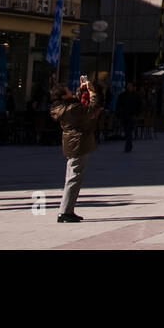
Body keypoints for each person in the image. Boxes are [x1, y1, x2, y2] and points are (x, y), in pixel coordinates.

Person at [51, 76, 103, 223]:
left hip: (72, 142)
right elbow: (90, 109)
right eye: (68, 91)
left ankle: (67, 210)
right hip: (78, 142)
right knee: (74, 177)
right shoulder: (71, 109)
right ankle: (65, 212)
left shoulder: (61, 108)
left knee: (72, 176)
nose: (72, 93)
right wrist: (93, 93)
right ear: (63, 96)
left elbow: (77, 106)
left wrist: (81, 91)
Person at [116, 82, 142, 153]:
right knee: (126, 131)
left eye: (130, 86)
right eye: (128, 86)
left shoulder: (136, 95)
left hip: (132, 115)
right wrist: (119, 113)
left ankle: (128, 146)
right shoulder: (122, 95)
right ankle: (129, 144)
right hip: (124, 115)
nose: (129, 87)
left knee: (129, 131)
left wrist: (136, 114)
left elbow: (140, 105)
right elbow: (119, 105)